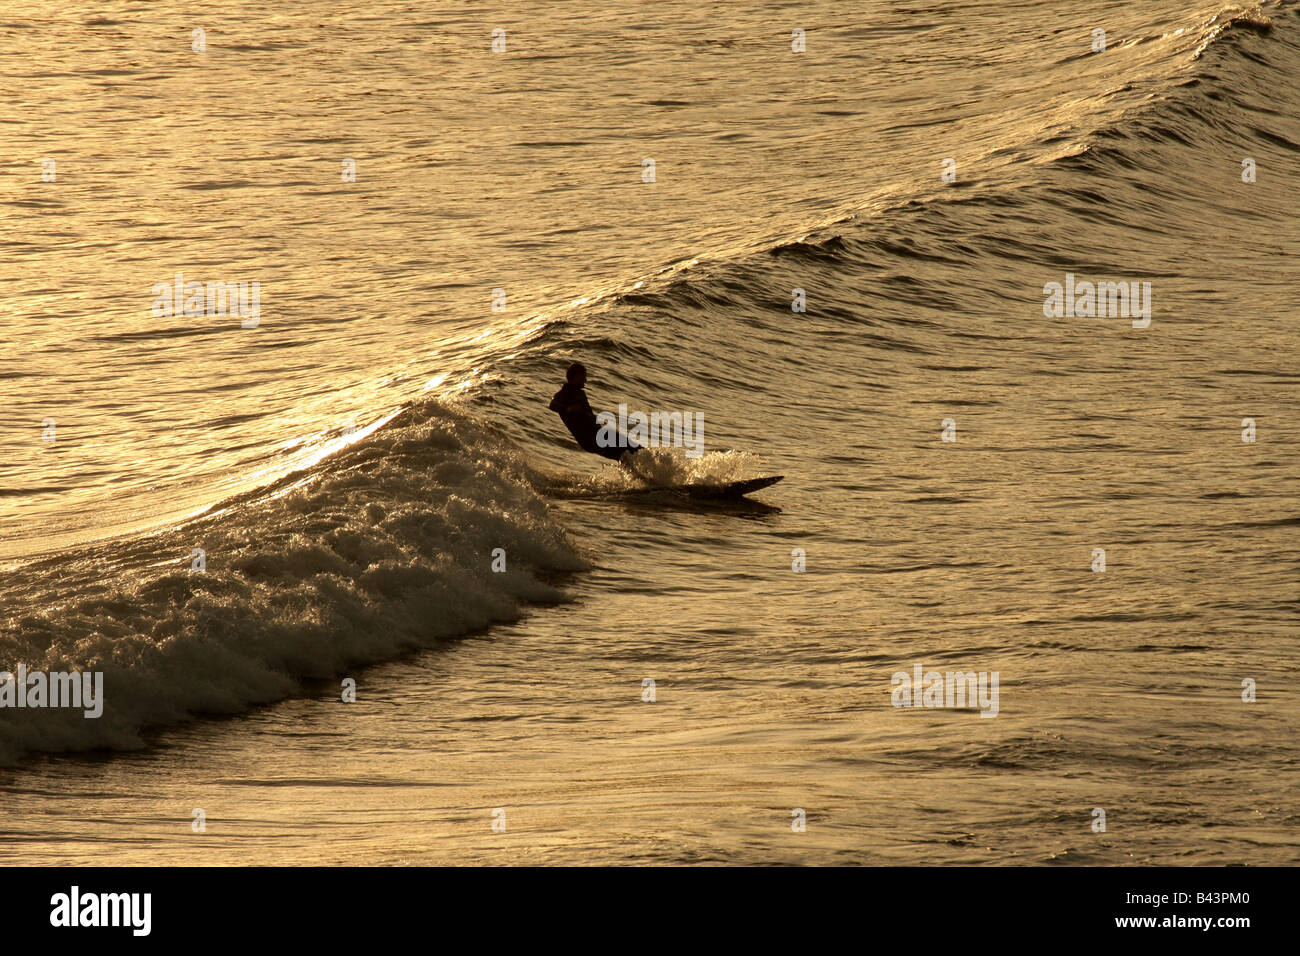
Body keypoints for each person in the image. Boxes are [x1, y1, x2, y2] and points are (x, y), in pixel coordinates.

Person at [549, 361, 641, 463]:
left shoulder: (578, 393)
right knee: (633, 450)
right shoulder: (564, 394)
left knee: (625, 456)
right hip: (592, 439)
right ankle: (651, 473)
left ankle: (645, 477)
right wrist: (568, 409)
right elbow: (552, 405)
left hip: (596, 437)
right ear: (576, 376)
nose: (585, 380)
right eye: (583, 376)